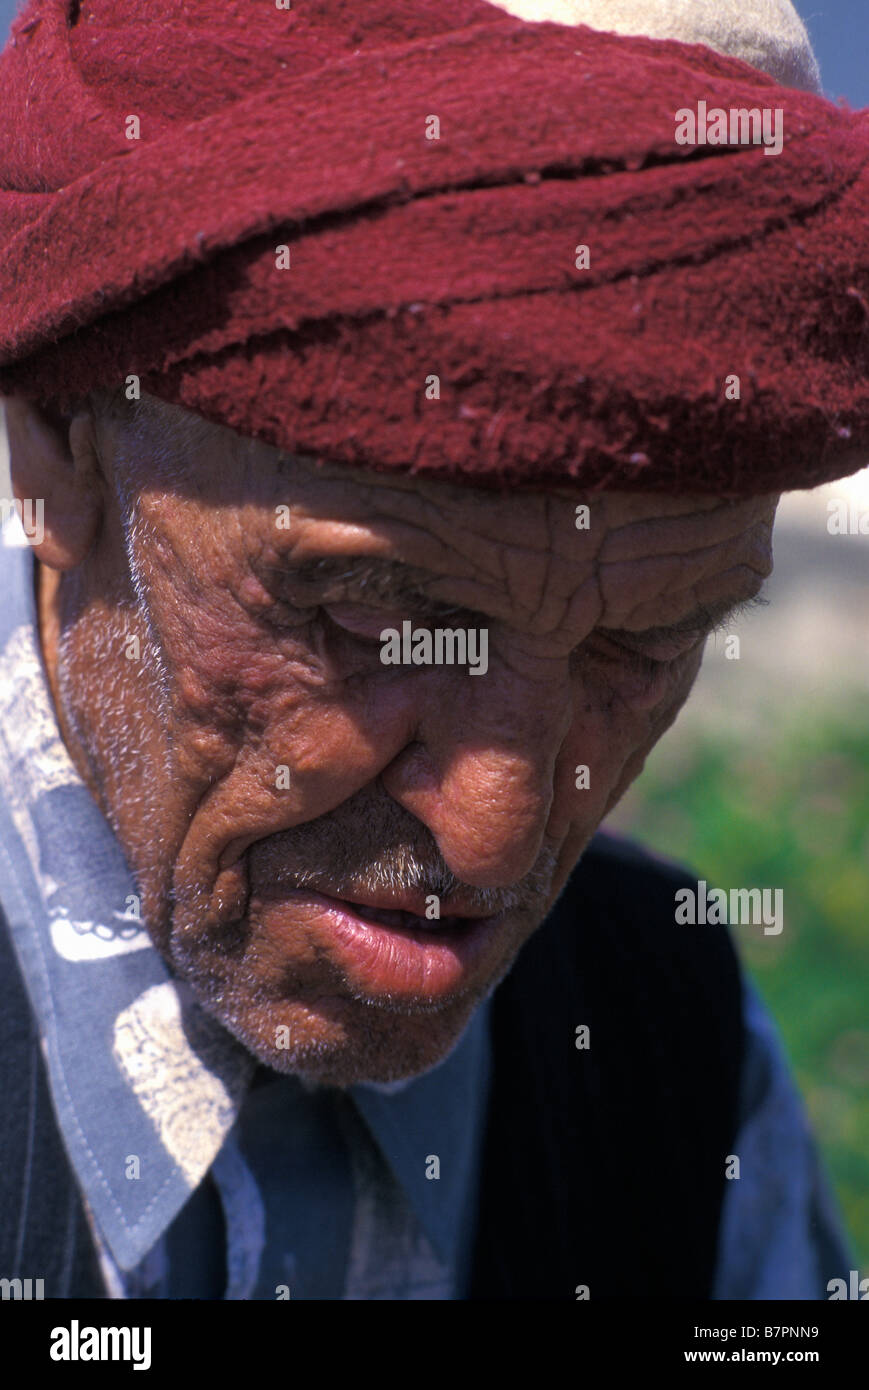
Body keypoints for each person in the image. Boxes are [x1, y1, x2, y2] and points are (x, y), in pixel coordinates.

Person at [0, 0, 864, 1300]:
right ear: (56, 440)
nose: (496, 841)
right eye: (366, 617)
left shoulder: (669, 1047)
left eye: (641, 645)